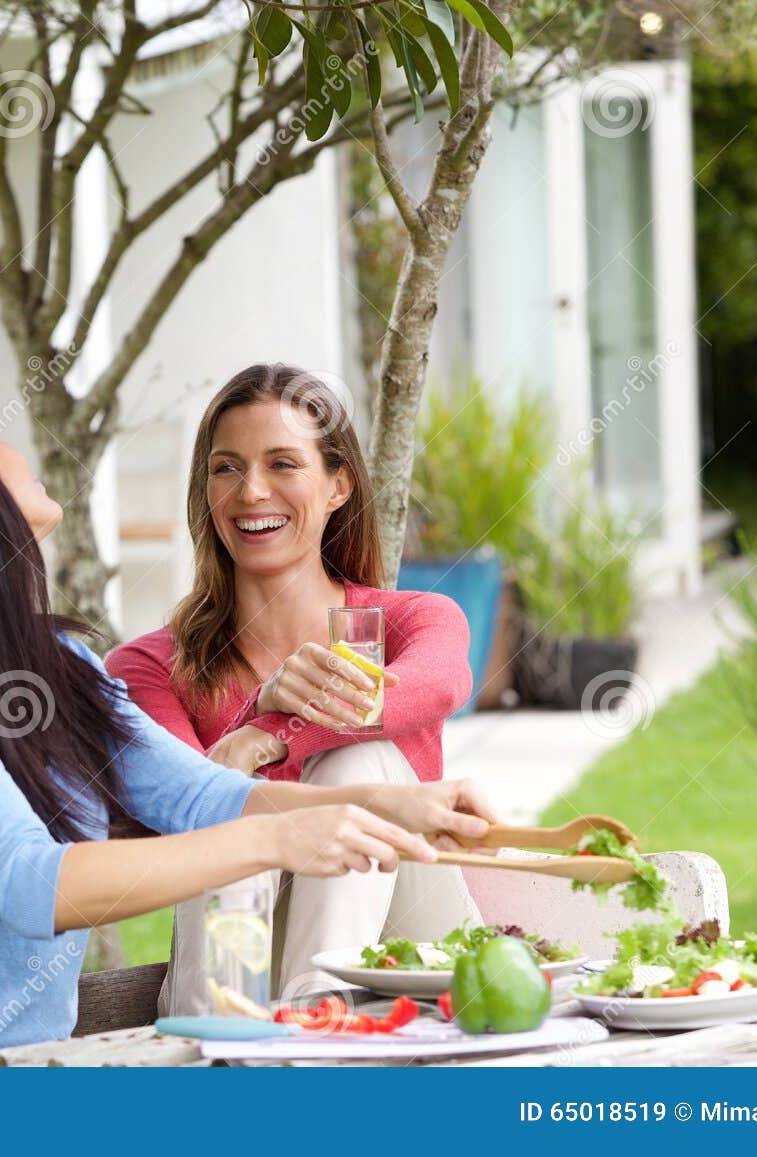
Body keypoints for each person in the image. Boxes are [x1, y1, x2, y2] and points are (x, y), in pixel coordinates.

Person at [0, 380, 497, 1065]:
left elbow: (201, 796)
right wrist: (282, 835)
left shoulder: (57, 662)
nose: (13, 445)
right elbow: (27, 882)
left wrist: (390, 804)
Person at [106, 364, 483, 1007]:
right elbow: (180, 811)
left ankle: (315, 1018)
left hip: (419, 956)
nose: (251, 491)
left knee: (356, 757)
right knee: (217, 799)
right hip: (240, 968)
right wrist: (244, 737)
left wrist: (267, 732)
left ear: (337, 485)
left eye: (283, 464)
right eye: (226, 468)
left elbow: (432, 688)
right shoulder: (146, 667)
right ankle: (244, 1037)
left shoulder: (416, 618)